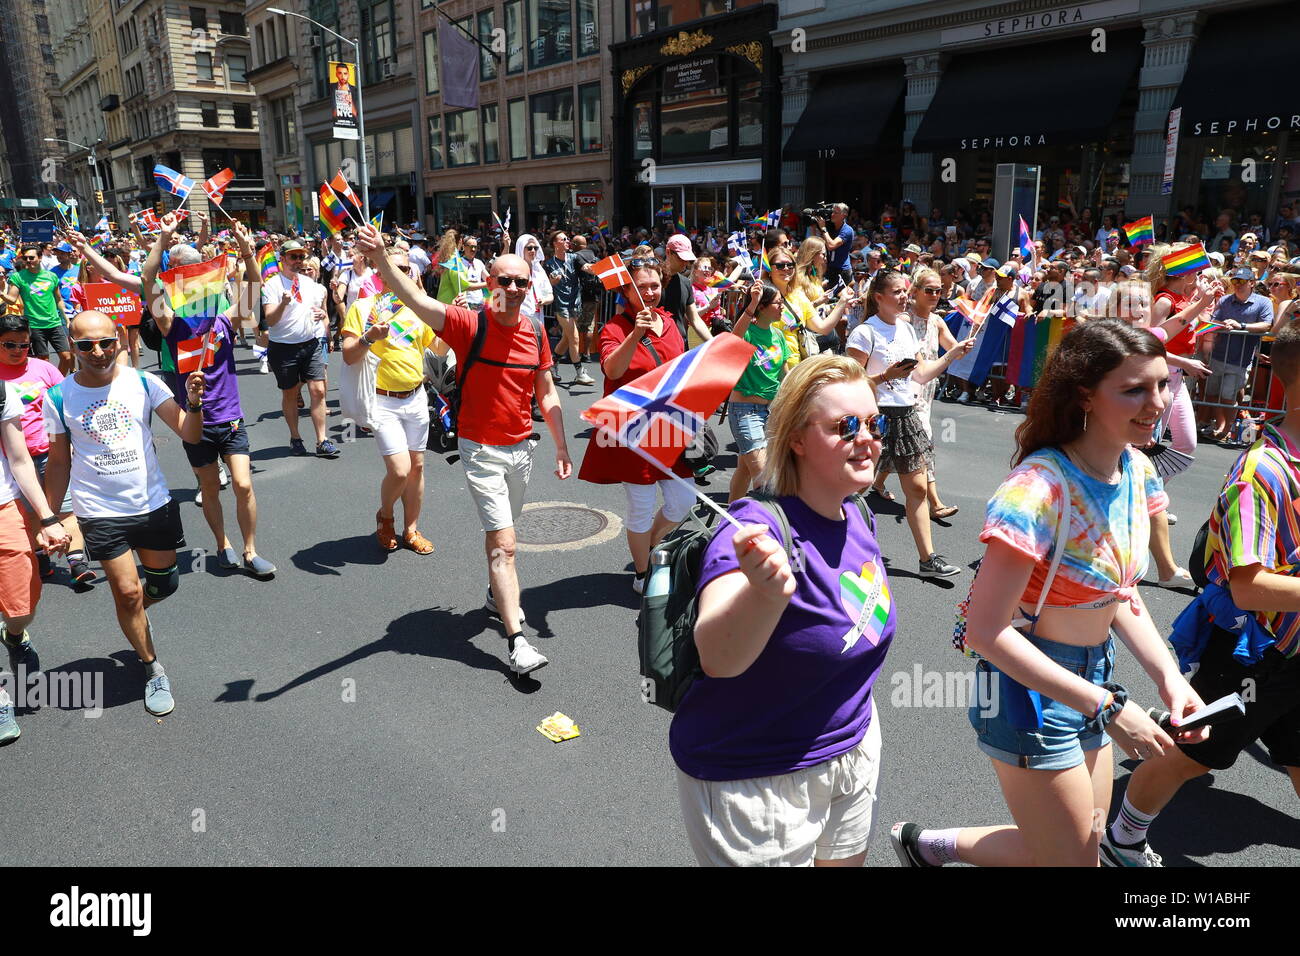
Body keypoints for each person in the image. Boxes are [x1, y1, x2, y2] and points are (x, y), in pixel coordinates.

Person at [892, 320, 1208, 867]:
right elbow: (985, 632)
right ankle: (924, 844)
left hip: (1094, 678)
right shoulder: (1038, 490)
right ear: (1084, 393)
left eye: (1161, 385)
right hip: (1029, 687)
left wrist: (1171, 680)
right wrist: (1108, 707)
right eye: (1134, 389)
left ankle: (926, 845)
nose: (1155, 403)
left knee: (1081, 845)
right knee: (1074, 859)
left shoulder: (1135, 469)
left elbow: (1120, 596)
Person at [671, 354, 894, 866]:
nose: (868, 438)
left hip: (852, 745)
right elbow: (718, 658)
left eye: (875, 422)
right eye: (847, 426)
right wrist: (764, 593)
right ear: (796, 438)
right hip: (756, 776)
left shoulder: (856, 510)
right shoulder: (750, 531)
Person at [1101, 323, 1300, 867]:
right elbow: (1249, 584)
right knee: (1193, 755)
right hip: (1253, 654)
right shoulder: (1262, 473)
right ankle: (1122, 837)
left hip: (1294, 652)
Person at [356, 224, 568, 676]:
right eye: (503, 280)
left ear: (530, 286)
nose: (512, 288)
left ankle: (495, 597)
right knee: (505, 544)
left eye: (521, 282)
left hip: (522, 449)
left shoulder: (534, 327)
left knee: (507, 536)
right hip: (480, 450)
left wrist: (562, 444)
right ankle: (516, 642)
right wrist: (380, 258)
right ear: (488, 283)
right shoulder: (469, 323)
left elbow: (546, 391)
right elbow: (417, 301)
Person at [42, 310, 208, 716]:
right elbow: (59, 462)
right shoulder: (59, 397)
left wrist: (194, 403)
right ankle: (152, 666)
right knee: (128, 591)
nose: (97, 352)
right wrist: (48, 517)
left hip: (153, 504)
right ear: (73, 345)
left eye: (104, 343)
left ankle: (132, 615)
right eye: (85, 345)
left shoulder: (144, 382)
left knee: (164, 585)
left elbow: (189, 433)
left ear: (118, 338)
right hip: (99, 511)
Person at [143, 215, 276, 579]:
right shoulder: (171, 324)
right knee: (209, 488)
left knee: (244, 484)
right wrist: (162, 239)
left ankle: (250, 550)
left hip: (231, 419)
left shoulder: (224, 320)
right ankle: (223, 545)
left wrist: (248, 251)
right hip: (195, 422)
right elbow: (147, 280)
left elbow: (254, 287)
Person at [577, 259, 694, 592]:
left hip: (670, 424)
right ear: (626, 289)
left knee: (683, 500)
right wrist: (636, 334)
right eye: (641, 286)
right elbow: (612, 371)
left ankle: (653, 547)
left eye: (654, 285)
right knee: (641, 505)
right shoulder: (614, 327)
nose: (649, 292)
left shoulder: (671, 321)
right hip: (630, 426)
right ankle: (643, 575)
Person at [847, 270, 971, 578]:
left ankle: (927, 559)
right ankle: (839, 552)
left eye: (905, 291)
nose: (905, 296)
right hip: (873, 417)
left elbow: (920, 374)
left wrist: (951, 355)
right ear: (879, 297)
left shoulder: (905, 329)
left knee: (916, 488)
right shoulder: (864, 332)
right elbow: (850, 381)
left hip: (905, 414)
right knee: (854, 487)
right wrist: (884, 376)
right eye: (898, 292)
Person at [340, 246, 439, 556]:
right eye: (394, 268)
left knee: (417, 468)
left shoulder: (418, 308)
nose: (402, 274)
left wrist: (443, 316)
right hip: (381, 401)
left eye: (406, 269)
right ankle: (386, 516)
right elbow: (347, 354)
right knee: (399, 470)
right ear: (380, 272)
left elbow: (437, 348)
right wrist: (369, 338)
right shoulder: (364, 308)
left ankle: (411, 529)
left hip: (416, 397)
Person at [0, 375, 72, 742]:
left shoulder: (1, 391)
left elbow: (19, 458)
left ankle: (14, 636)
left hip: (3, 509)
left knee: (21, 607)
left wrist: (47, 517)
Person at [0, 313, 94, 587]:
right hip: (13, 459)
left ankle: (77, 561)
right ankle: (42, 555)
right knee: (30, 511)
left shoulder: (45, 369)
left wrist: (72, 443)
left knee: (65, 507)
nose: (18, 350)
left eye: (24, 344)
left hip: (52, 452)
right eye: (10, 344)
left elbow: (66, 405)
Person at [261, 239, 340, 458]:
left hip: (311, 344)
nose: (298, 261)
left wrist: (322, 317)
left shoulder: (311, 285)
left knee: (318, 390)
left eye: (301, 257)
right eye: (293, 257)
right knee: (291, 393)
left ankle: (322, 440)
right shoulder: (272, 285)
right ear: (282, 259)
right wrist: (284, 304)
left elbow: (320, 311)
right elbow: (271, 320)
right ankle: (295, 437)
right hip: (284, 347)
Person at [725, 281, 794, 503]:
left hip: (770, 412)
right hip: (745, 412)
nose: (782, 307)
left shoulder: (778, 336)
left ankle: (729, 518)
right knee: (765, 483)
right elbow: (734, 338)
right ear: (762, 307)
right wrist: (752, 303)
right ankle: (767, 529)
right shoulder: (747, 333)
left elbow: (785, 376)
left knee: (744, 470)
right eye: (777, 303)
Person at [1204, 266, 1273, 441]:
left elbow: (1266, 325)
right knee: (1212, 393)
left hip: (1240, 360)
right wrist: (1222, 324)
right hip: (1217, 355)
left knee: (1228, 396)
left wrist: (1240, 326)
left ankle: (1227, 428)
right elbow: (1213, 320)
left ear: (1252, 283)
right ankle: (1220, 425)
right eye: (1235, 281)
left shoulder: (1263, 302)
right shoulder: (1225, 300)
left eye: (1242, 281)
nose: (1237, 284)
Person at [2, 245, 73, 374]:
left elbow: (59, 300)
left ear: (40, 258)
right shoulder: (18, 277)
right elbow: (12, 299)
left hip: (54, 323)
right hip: (34, 325)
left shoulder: (51, 276)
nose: (28, 260)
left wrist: (66, 318)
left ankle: (57, 383)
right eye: (25, 258)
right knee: (44, 361)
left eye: (31, 257)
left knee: (67, 357)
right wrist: (1, 294)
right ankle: (47, 384)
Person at [543, 230, 593, 385]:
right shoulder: (549, 264)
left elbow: (586, 267)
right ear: (555, 244)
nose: (567, 241)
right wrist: (553, 282)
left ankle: (552, 364)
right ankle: (579, 372)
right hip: (561, 306)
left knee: (567, 338)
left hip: (575, 304)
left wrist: (596, 268)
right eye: (563, 239)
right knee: (575, 337)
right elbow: (548, 284)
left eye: (567, 239)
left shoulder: (574, 258)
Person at [660, 235, 713, 344]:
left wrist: (712, 343)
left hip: (680, 344)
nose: (685, 263)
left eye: (687, 259)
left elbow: (695, 319)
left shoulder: (686, 282)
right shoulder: (654, 280)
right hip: (657, 346)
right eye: (681, 258)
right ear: (668, 252)